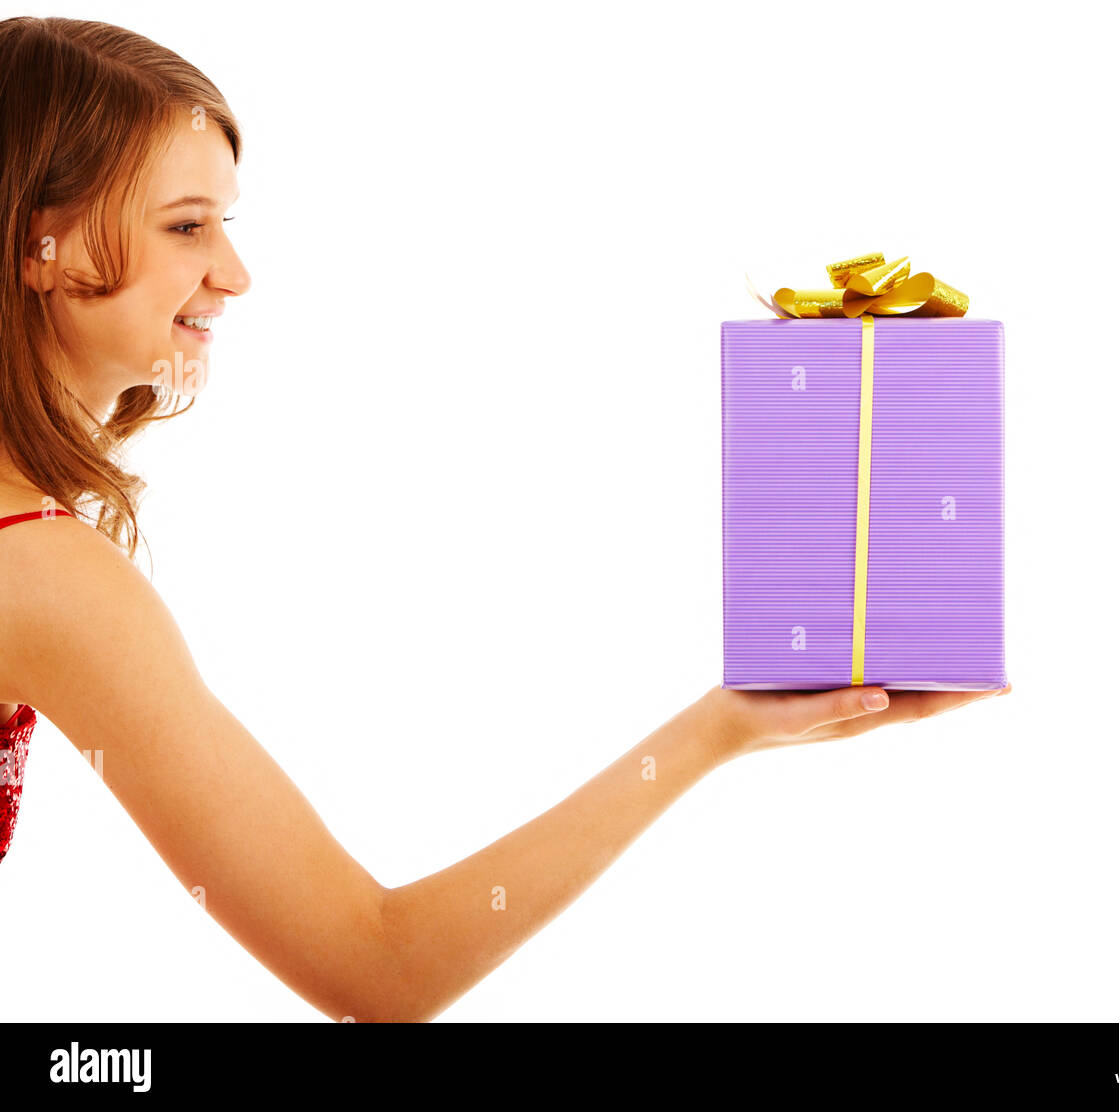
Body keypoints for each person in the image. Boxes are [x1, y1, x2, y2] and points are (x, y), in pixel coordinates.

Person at [0, 16, 1007, 1022]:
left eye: (226, 221)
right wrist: (717, 729)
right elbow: (376, 967)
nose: (234, 271)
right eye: (186, 226)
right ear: (40, 243)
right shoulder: (44, 573)